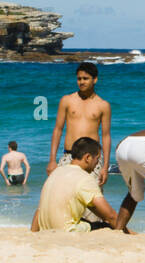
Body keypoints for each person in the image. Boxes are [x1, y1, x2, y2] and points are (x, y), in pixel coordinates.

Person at [30, 137, 119, 232]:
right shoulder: (85, 178)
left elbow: (39, 210)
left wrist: (33, 234)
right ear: (88, 158)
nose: (97, 164)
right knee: (106, 227)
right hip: (68, 233)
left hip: (47, 230)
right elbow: (111, 216)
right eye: (97, 159)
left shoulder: (56, 172)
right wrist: (128, 233)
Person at [47, 62, 112, 190]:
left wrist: (105, 166)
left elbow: (106, 136)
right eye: (79, 78)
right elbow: (58, 130)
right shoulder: (67, 100)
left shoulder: (103, 105)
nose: (81, 82)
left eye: (85, 78)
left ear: (95, 80)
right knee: (61, 195)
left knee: (92, 199)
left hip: (92, 158)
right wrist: (52, 160)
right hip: (69, 156)